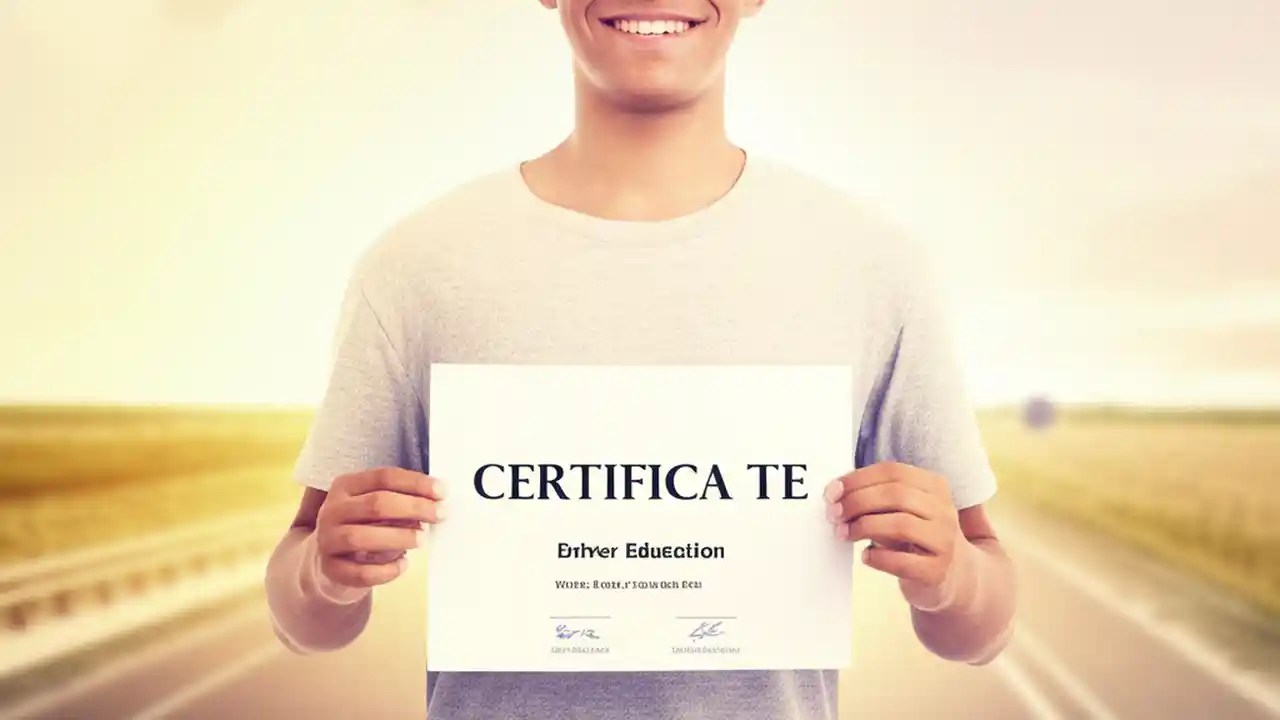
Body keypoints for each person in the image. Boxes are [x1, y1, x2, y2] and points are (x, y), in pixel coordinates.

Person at [264, 1, 1018, 718]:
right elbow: (303, 615)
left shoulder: (869, 266)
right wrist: (325, 576)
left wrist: (951, 577)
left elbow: (983, 625)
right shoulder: (417, 268)